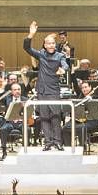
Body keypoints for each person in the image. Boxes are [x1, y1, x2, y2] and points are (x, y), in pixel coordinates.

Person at [23, 20, 69, 150]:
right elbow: (27, 48)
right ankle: (48, 142)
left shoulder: (60, 56)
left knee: (55, 117)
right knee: (44, 117)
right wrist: (31, 34)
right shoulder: (41, 54)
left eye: (53, 43)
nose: (51, 45)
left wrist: (63, 69)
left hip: (53, 91)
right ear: (44, 45)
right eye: (48, 43)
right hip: (42, 90)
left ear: (55, 44)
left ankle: (58, 142)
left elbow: (65, 64)